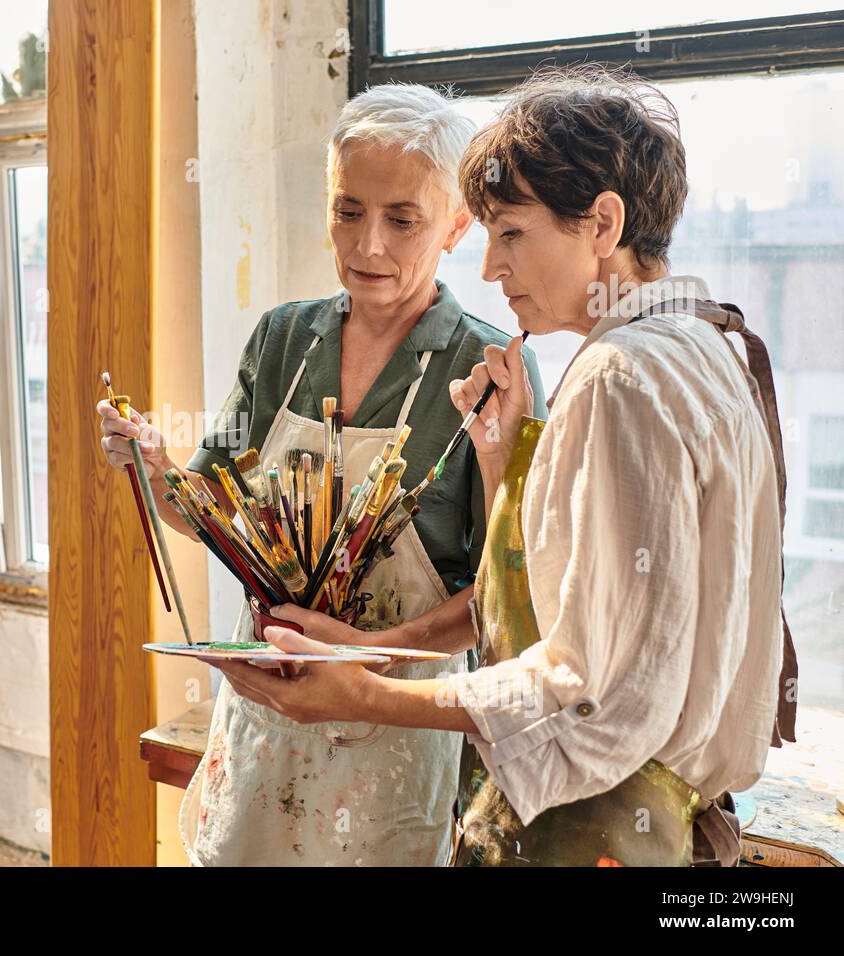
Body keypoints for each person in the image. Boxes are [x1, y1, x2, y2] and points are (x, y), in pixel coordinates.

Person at [211, 66, 797, 867]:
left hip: (596, 823)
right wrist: (504, 457)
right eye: (348, 211)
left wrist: (368, 689)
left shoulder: (617, 375)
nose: (489, 267)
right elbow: (587, 626)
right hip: (663, 817)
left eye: (512, 233)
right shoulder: (708, 347)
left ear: (603, 223)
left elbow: (581, 692)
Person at [96, 82, 545, 866]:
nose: (368, 246)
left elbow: (507, 592)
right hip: (268, 709)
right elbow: (205, 511)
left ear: (456, 223)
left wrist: (368, 658)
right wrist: (150, 463)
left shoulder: (491, 366)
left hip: (398, 730)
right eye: (348, 210)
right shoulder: (281, 340)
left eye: (403, 219)